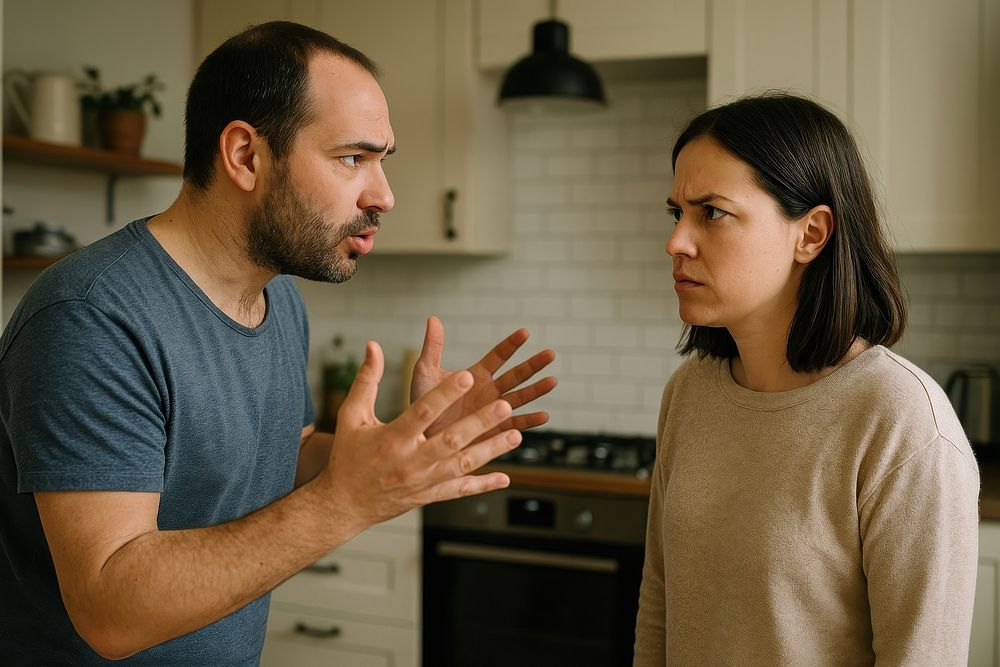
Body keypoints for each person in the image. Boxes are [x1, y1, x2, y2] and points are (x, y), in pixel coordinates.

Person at [0, 21, 556, 664]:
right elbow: (110, 609)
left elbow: (277, 454)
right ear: (245, 156)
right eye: (354, 158)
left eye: (383, 161)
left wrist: (408, 444)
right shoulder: (91, 318)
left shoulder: (279, 297)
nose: (385, 196)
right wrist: (345, 504)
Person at [633, 93, 980, 665]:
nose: (676, 242)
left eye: (712, 212)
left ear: (811, 234)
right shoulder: (690, 393)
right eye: (678, 213)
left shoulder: (900, 419)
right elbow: (659, 607)